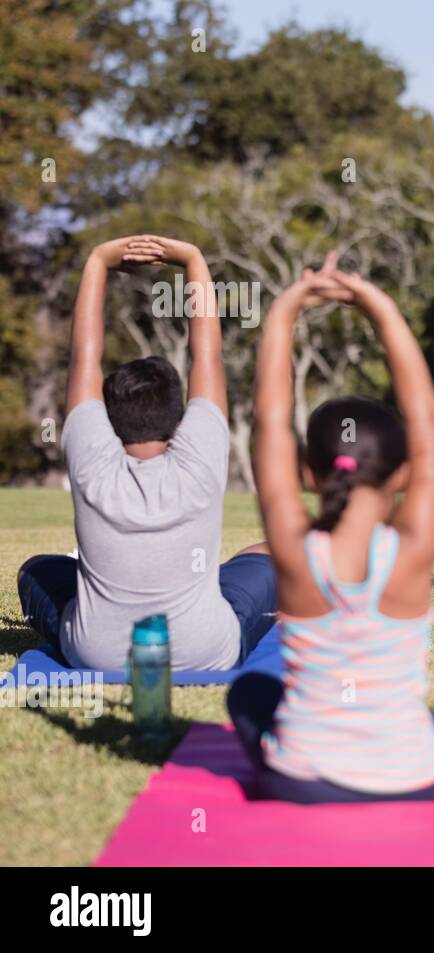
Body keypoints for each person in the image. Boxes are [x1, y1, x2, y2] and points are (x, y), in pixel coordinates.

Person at [226, 255, 434, 803]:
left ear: (306, 472)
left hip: (298, 782)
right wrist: (382, 310)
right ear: (404, 471)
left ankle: (302, 762)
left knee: (247, 693)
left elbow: (269, 421)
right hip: (411, 781)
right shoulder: (410, 550)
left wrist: (285, 311)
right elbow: (427, 421)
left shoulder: (293, 552)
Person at [17, 235, 274, 671]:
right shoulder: (201, 455)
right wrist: (193, 259)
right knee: (272, 554)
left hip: (94, 654)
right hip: (205, 650)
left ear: (110, 422)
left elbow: (83, 358)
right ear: (180, 420)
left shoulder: (90, 459)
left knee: (37, 570)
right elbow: (206, 356)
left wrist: (98, 261)